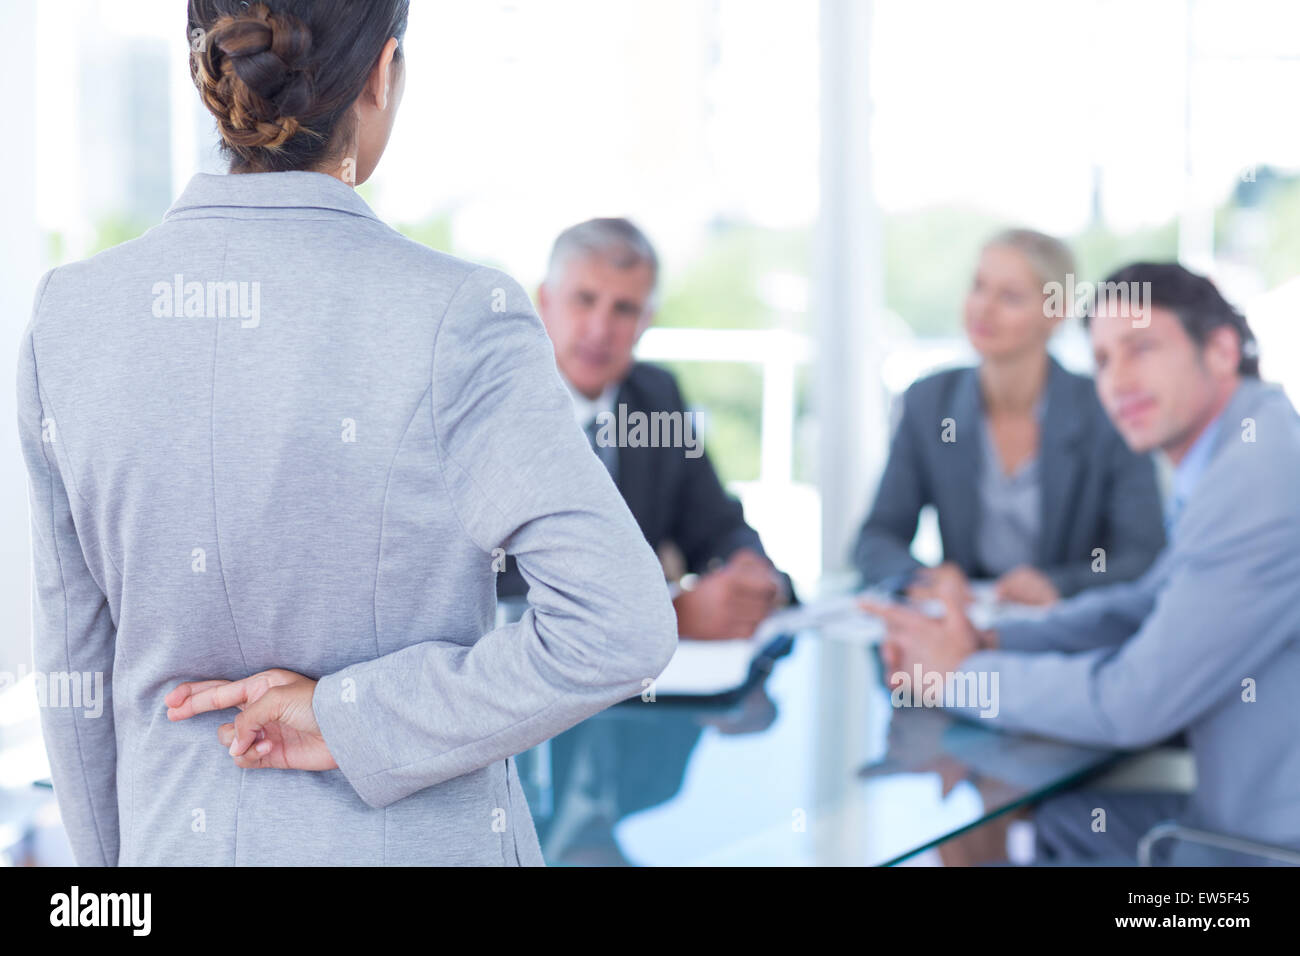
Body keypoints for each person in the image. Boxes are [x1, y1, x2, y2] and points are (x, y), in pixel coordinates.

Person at [18, 0, 677, 867]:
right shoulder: (458, 317)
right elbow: (619, 628)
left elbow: (76, 676)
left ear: (205, 65)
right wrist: (344, 717)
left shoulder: (70, 316)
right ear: (382, 72)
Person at [866, 262, 1300, 865]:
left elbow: (1133, 701)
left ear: (1222, 350)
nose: (1117, 382)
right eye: (1101, 360)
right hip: (1232, 820)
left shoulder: (1258, 481)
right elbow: (1148, 603)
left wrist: (958, 677)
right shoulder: (1241, 444)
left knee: (1007, 836)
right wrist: (993, 639)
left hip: (1254, 862)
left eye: (1141, 348)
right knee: (1062, 826)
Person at [496, 218, 791, 639]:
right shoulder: (491, 404)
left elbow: (715, 524)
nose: (601, 330)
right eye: (584, 299)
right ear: (545, 302)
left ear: (646, 320)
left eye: (624, 309)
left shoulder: (655, 396)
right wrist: (668, 616)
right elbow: (497, 593)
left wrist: (749, 571)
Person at [853, 229, 1165, 606]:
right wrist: (921, 577)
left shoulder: (1105, 409)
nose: (983, 308)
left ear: (1056, 312)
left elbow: (1143, 555)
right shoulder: (929, 403)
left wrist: (1061, 585)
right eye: (978, 286)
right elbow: (877, 537)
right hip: (967, 627)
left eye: (1010, 297)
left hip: (1070, 632)